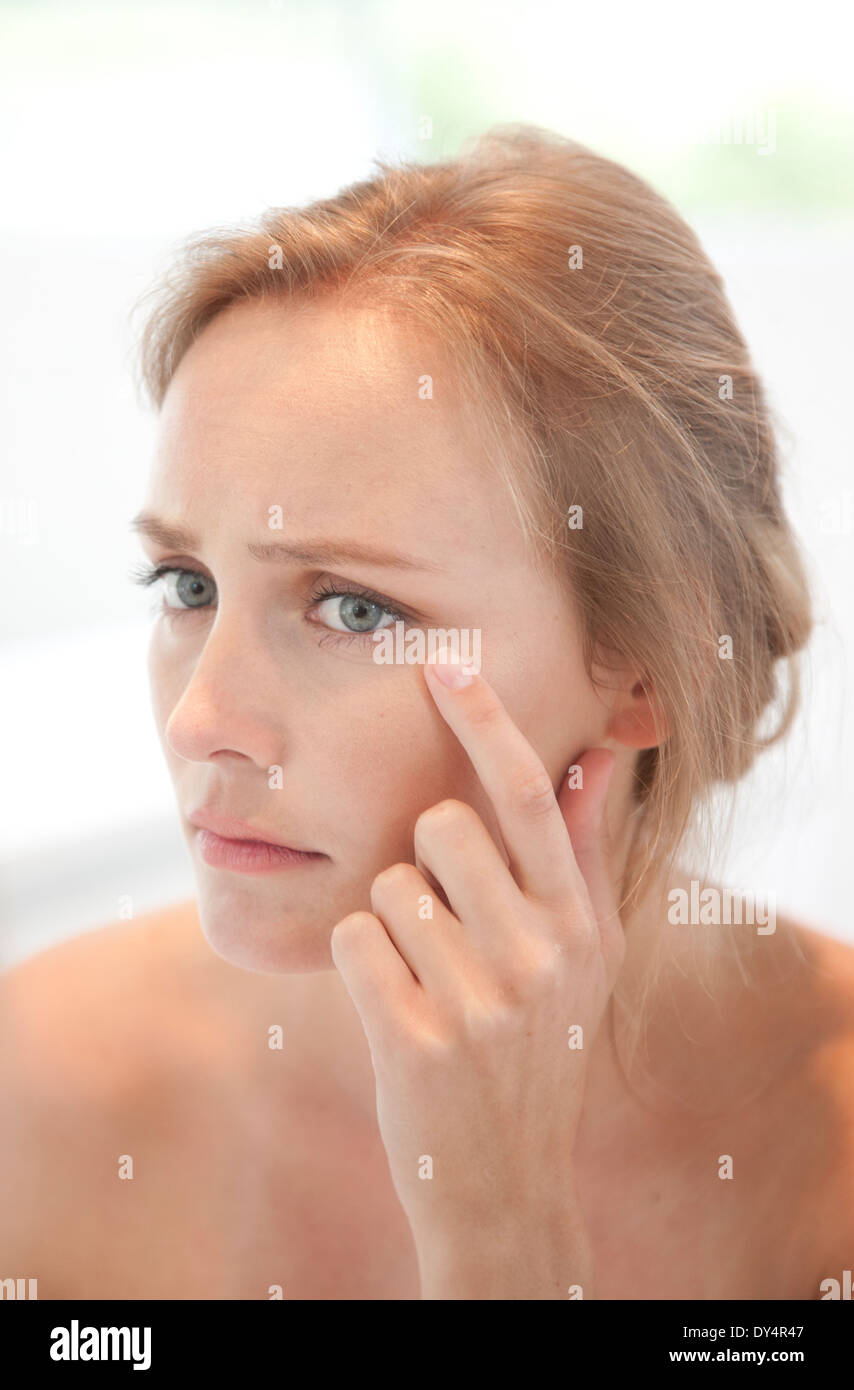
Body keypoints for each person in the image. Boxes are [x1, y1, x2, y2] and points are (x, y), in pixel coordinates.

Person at [2, 124, 852, 1300]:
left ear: (647, 664)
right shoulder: (30, 1084)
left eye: (350, 609)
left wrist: (501, 1243)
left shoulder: (831, 1146)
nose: (203, 719)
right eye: (187, 586)